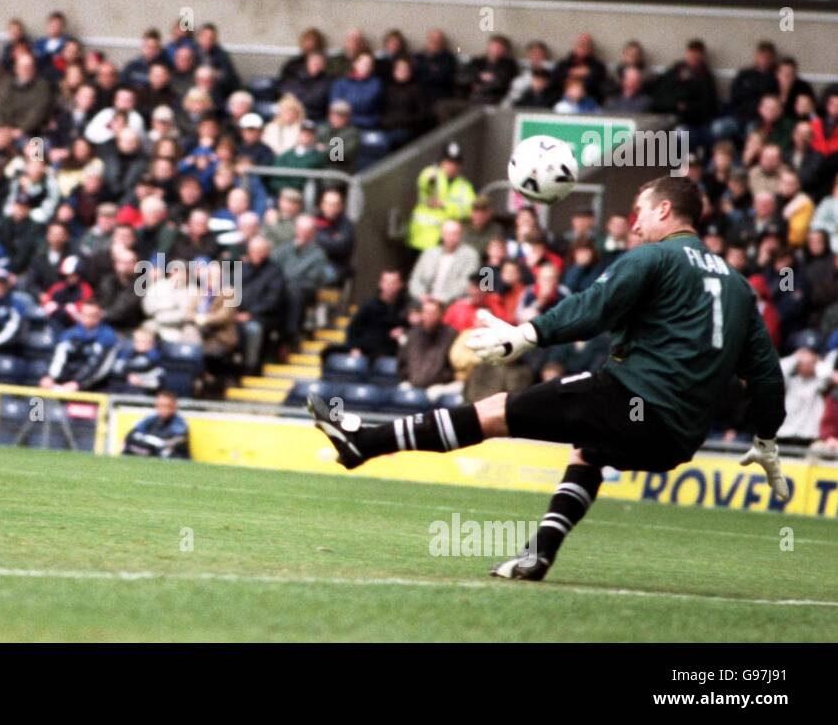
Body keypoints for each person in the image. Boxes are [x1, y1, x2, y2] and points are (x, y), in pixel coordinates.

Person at [307, 176, 787, 581]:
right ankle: (539, 555)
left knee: (495, 411)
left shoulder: (654, 258)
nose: (635, 223)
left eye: (639, 212)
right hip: (677, 440)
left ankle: (366, 441)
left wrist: (526, 334)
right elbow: (766, 376)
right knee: (588, 449)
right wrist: (766, 438)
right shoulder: (739, 286)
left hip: (632, 399)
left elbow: (590, 309)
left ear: (665, 209)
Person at [122, 390, 190, 460]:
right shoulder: (152, 418)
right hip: (150, 454)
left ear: (174, 407)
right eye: (159, 405)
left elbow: (175, 442)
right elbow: (132, 434)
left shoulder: (178, 423)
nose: (162, 409)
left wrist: (156, 443)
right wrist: (147, 441)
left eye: (166, 406)